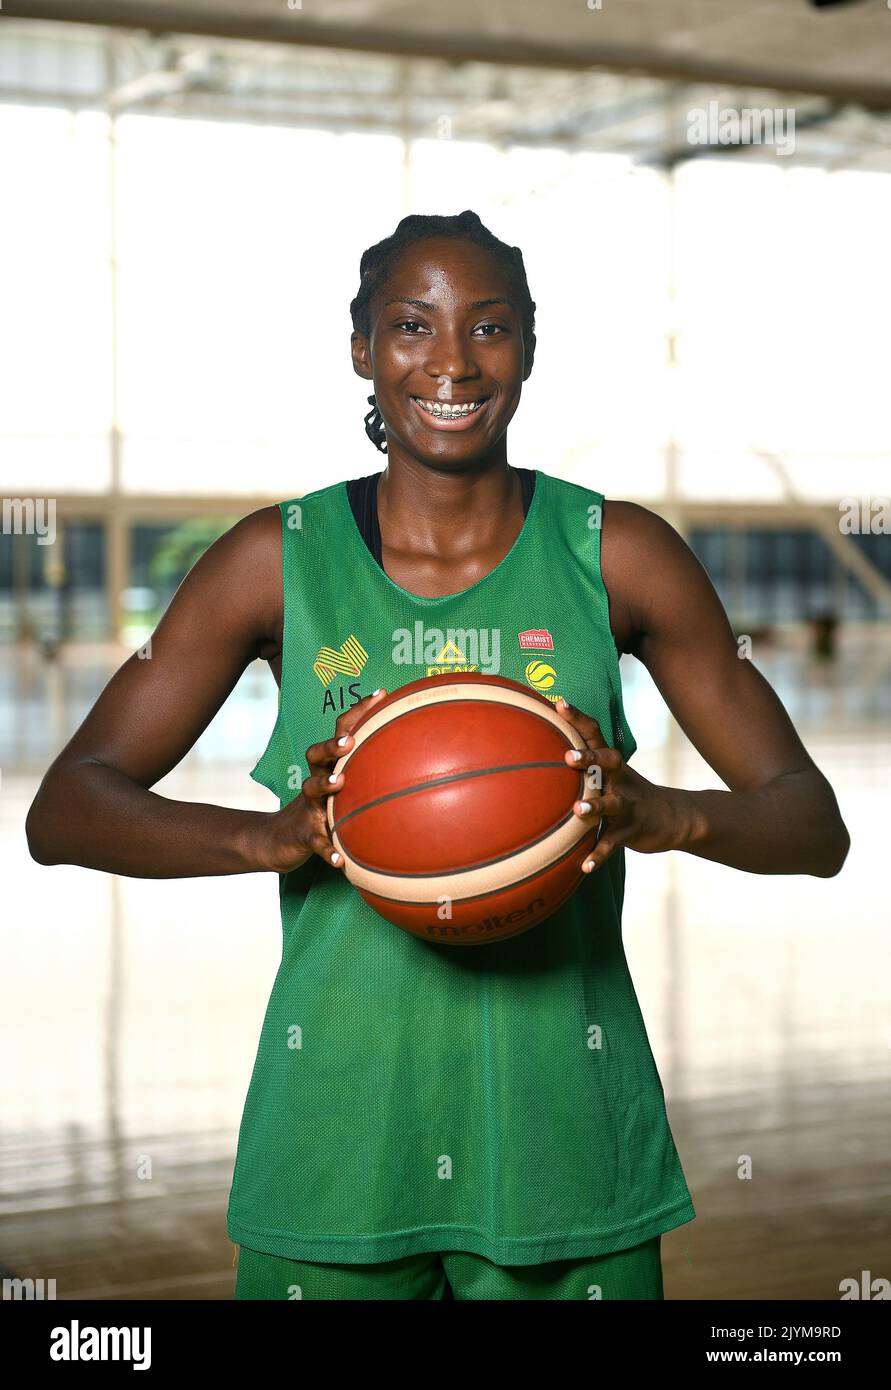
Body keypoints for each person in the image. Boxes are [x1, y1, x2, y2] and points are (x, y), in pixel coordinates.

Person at [26, 210, 850, 1301]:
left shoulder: (622, 555)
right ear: (362, 347)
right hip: (335, 1154)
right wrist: (268, 834)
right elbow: (66, 808)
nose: (453, 361)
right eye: (412, 325)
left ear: (530, 350)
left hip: (569, 1155)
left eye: (490, 327)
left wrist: (660, 811)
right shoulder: (276, 560)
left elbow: (813, 825)